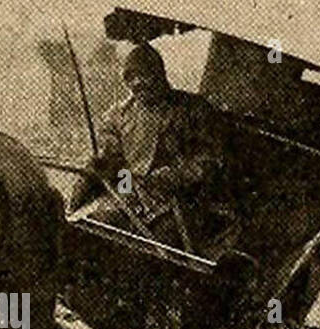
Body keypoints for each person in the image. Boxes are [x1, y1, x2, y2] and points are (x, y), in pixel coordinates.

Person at [76, 43, 232, 243]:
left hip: (182, 201)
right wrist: (102, 167)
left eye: (144, 75)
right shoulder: (118, 115)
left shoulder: (193, 109)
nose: (137, 83)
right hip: (129, 198)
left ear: (160, 74)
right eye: (130, 78)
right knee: (97, 227)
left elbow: (209, 160)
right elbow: (116, 164)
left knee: (162, 243)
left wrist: (175, 176)